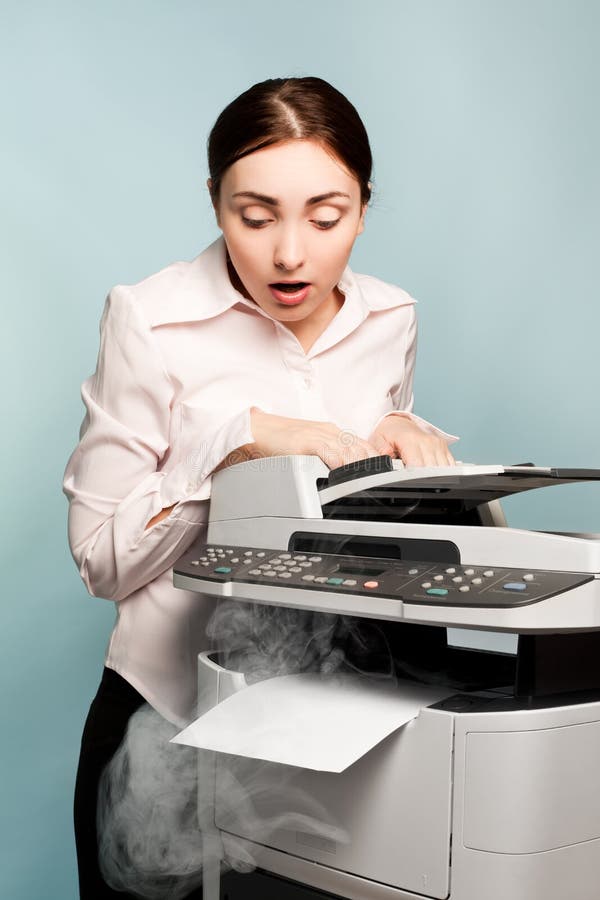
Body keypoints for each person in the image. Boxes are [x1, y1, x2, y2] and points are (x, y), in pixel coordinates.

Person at [63, 76, 458, 899]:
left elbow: (351, 531)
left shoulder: (392, 318)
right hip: (164, 722)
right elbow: (103, 563)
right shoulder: (150, 321)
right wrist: (233, 443)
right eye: (255, 216)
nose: (289, 253)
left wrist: (398, 456)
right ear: (215, 203)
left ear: (362, 204)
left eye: (325, 218)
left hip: (326, 730)